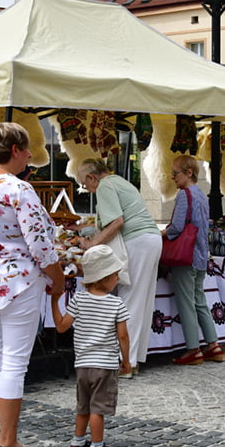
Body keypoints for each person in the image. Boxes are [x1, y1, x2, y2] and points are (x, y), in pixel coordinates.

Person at [0, 122, 65, 447]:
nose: (30, 155)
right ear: (15, 151)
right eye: (27, 149)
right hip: (18, 281)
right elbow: (40, 244)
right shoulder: (19, 188)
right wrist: (57, 278)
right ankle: (8, 442)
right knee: (15, 363)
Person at [76, 158, 162, 376]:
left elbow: (116, 221)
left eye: (85, 184)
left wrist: (92, 245)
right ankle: (133, 360)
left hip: (138, 242)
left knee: (129, 300)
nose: (87, 189)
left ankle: (125, 363)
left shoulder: (105, 186)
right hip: (150, 239)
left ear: (91, 177)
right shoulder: (118, 181)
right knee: (141, 301)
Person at [50, 244, 130, 447]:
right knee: (98, 409)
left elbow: (61, 327)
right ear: (105, 277)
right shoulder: (116, 304)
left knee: (83, 407)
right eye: (115, 274)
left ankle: (77, 443)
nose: (118, 278)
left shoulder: (78, 299)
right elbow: (123, 336)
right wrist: (126, 360)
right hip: (104, 366)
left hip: (83, 365)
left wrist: (54, 301)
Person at [163, 155, 225, 365]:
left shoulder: (184, 194)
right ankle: (213, 345)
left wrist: (161, 233)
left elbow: (177, 227)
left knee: (186, 303)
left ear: (188, 173)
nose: (172, 177)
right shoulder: (200, 194)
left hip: (185, 256)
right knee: (200, 301)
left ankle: (193, 349)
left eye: (175, 173)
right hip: (200, 256)